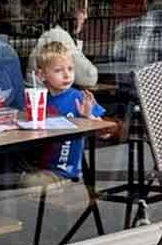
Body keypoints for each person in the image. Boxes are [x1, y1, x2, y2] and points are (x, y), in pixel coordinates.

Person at [21, 41, 105, 188]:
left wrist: (88, 117)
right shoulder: (42, 100)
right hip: (41, 165)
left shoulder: (78, 97)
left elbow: (104, 132)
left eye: (70, 69)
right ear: (41, 75)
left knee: (25, 182)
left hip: (64, 171)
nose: (67, 75)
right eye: (58, 70)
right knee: (8, 172)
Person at [26, 8, 98, 88]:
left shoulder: (53, 34)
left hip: (39, 90)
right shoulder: (60, 36)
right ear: (72, 22)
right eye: (82, 21)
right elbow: (88, 76)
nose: (83, 26)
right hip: (44, 94)